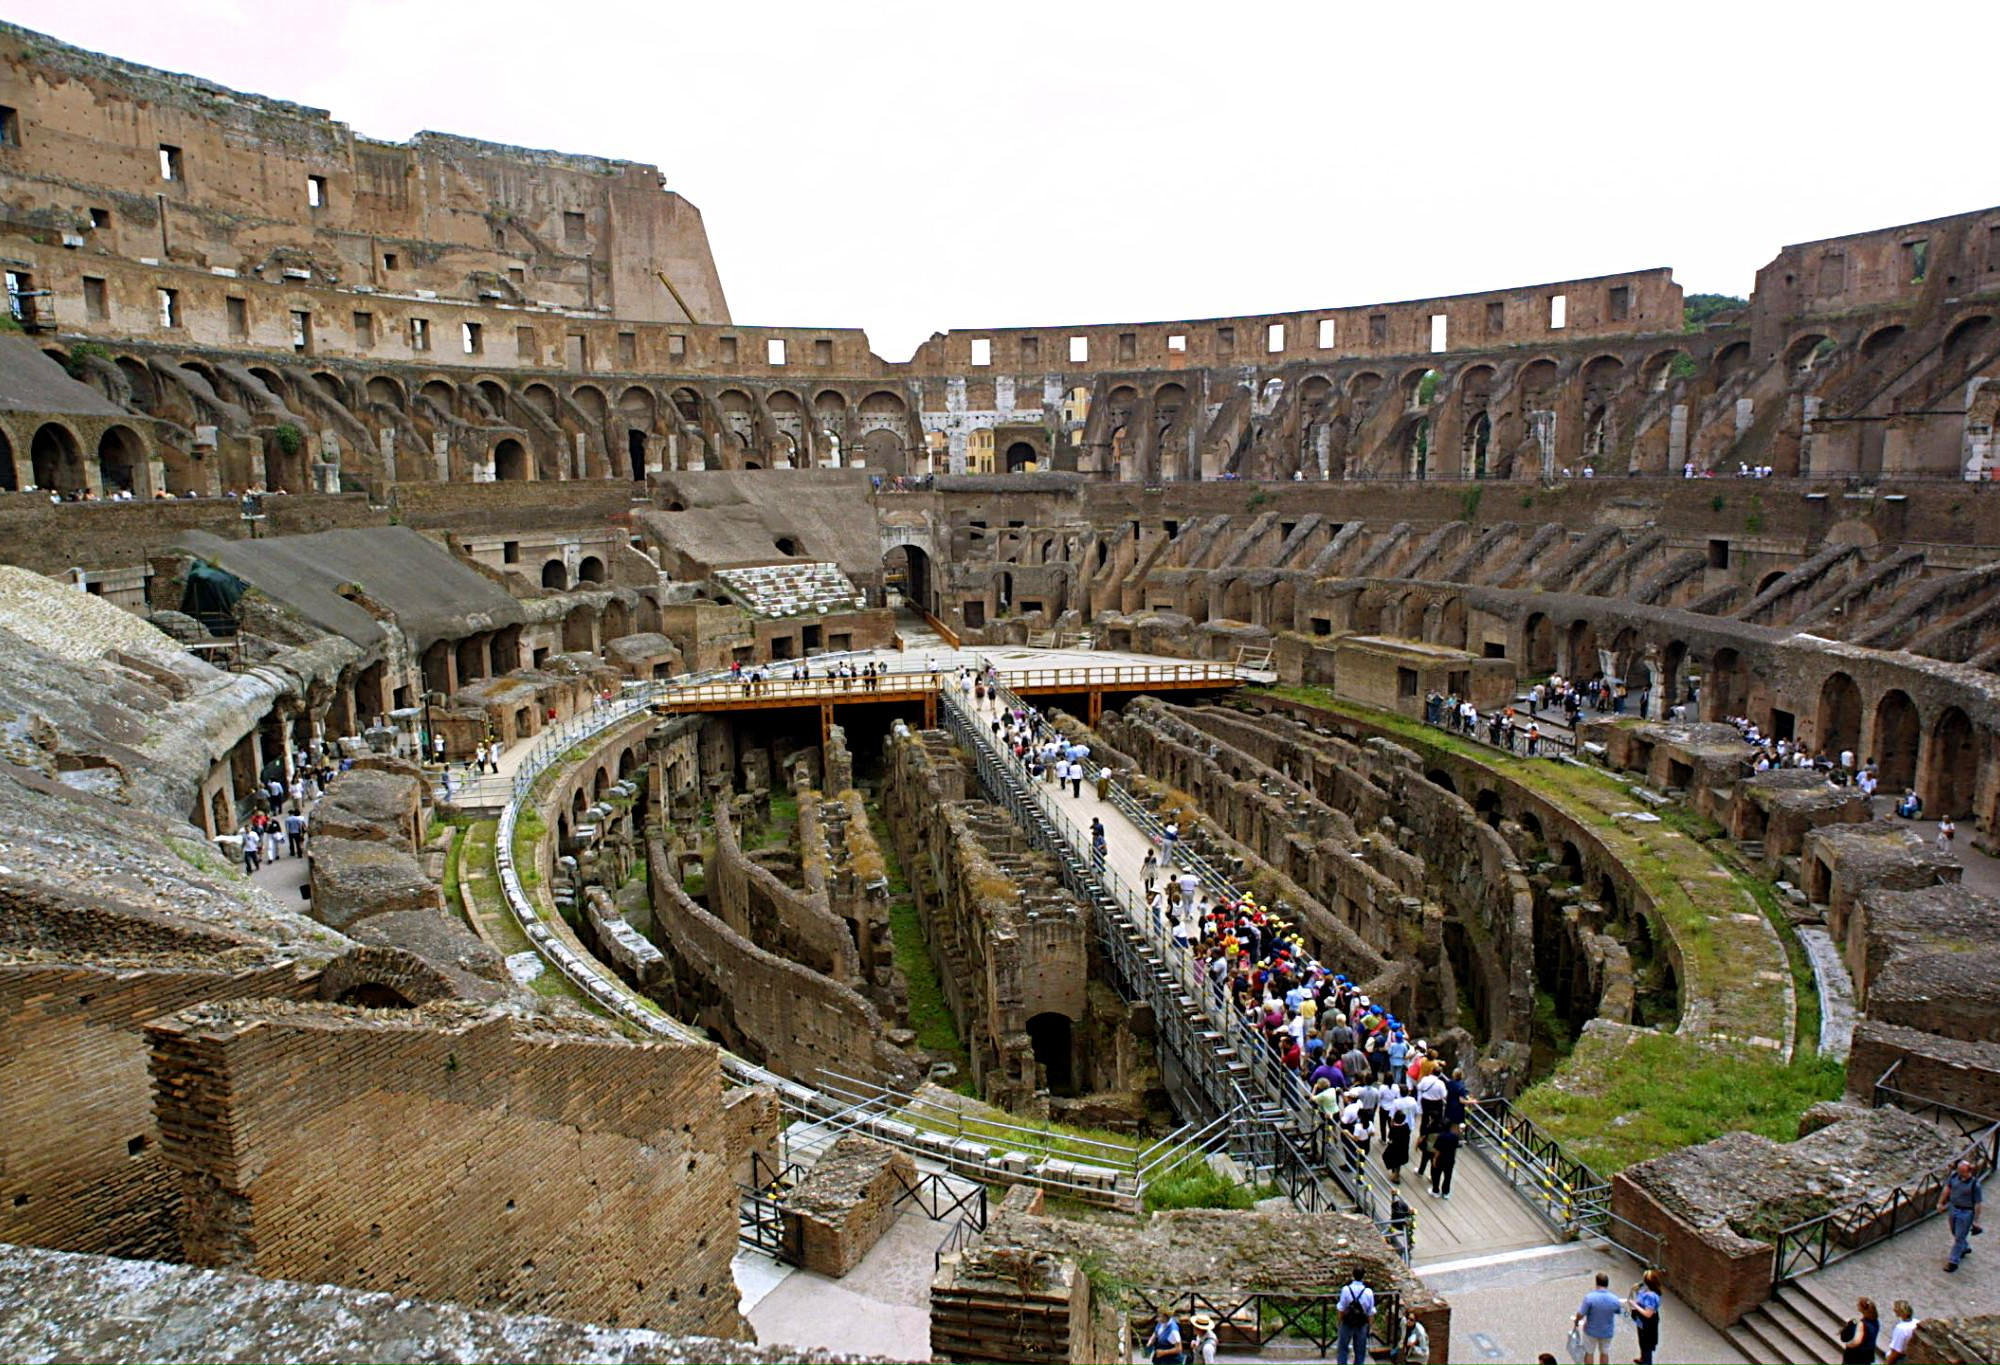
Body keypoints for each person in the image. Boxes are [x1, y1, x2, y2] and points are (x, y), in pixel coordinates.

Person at [1939, 1156, 1984, 1271]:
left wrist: (1975, 1220)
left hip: (1966, 1212)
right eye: (1959, 1171)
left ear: (1968, 1171)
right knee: (1954, 1231)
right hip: (1953, 1208)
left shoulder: (1975, 1185)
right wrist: (1941, 1202)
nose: (1960, 1174)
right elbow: (1947, 1189)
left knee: (1959, 1237)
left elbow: (1977, 1203)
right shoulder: (1954, 1176)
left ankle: (1953, 1261)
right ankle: (1964, 1247)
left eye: (1962, 1172)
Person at [1573, 1272, 1623, 1365]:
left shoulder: (1589, 1298)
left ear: (1596, 1283)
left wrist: (1576, 1321)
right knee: (1604, 1353)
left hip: (1591, 1331)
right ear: (1607, 1284)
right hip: (1607, 1332)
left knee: (1589, 1353)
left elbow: (1581, 1313)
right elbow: (1618, 1311)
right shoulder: (1614, 1299)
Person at [1335, 1273, 1375, 1365]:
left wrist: (1339, 1322)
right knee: (1360, 1350)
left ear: (1353, 1275)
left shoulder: (1346, 1289)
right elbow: (1371, 1311)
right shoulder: (1368, 1291)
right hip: (1361, 1323)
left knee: (1343, 1348)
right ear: (1363, 1276)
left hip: (1347, 1322)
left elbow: (1341, 1308)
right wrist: (1370, 1326)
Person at [1627, 1268, 1662, 1365]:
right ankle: (1642, 1359)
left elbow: (1648, 1314)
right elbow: (1641, 1299)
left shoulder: (1651, 1296)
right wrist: (1636, 1291)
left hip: (1647, 1323)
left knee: (1647, 1344)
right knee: (1642, 1341)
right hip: (1641, 1321)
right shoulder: (1646, 1290)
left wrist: (1634, 1305)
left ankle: (1647, 1361)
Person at [1838, 1298, 1879, 1365]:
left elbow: (1856, 1342)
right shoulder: (1875, 1322)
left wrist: (1848, 1344)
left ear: (1862, 1309)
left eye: (1858, 1304)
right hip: (1867, 1356)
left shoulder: (1862, 1324)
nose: (1857, 1305)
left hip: (1855, 1358)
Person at [1429, 1120, 1460, 1199]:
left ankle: (1435, 1191)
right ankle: (1446, 1192)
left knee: (1437, 1175)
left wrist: (1434, 1159)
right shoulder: (1455, 1136)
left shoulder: (1441, 1136)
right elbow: (1455, 1149)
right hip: (1450, 1159)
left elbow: (1438, 1150)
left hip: (1441, 1159)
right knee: (1448, 1176)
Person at [1882, 1300, 1918, 1364]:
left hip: (1898, 1359)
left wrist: (1886, 1362)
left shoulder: (1901, 1329)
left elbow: (1895, 1351)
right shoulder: (1916, 1322)